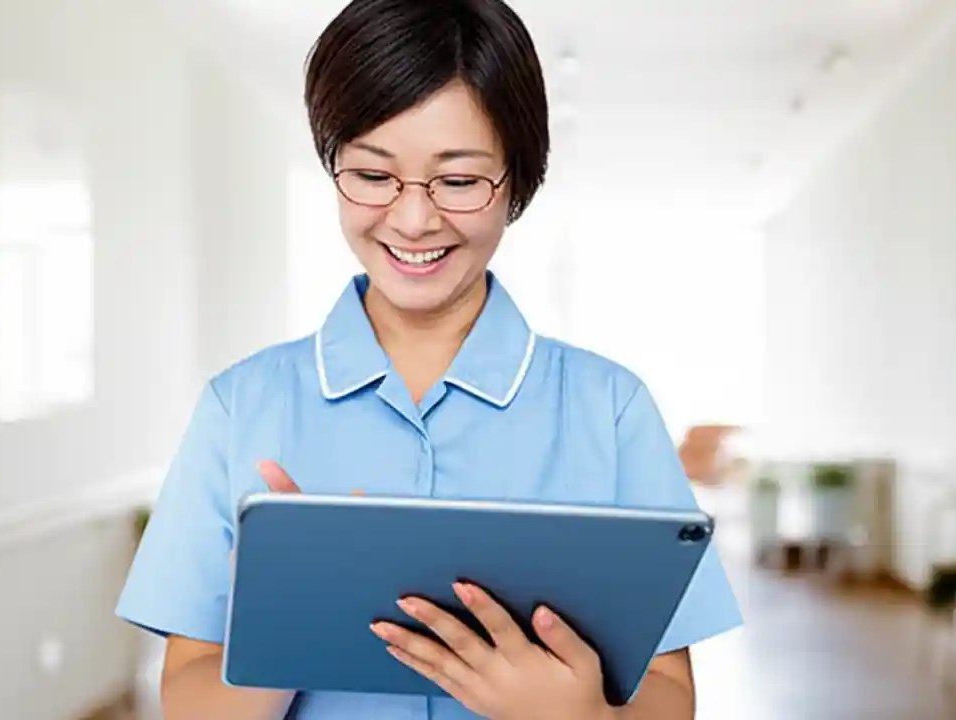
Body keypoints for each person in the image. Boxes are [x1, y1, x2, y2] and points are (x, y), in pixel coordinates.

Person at [114, 0, 741, 718]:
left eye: (461, 180)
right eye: (373, 176)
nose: (413, 220)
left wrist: (579, 715)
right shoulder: (239, 408)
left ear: (518, 179)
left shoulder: (610, 409)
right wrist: (288, 617)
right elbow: (188, 694)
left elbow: (668, 693)